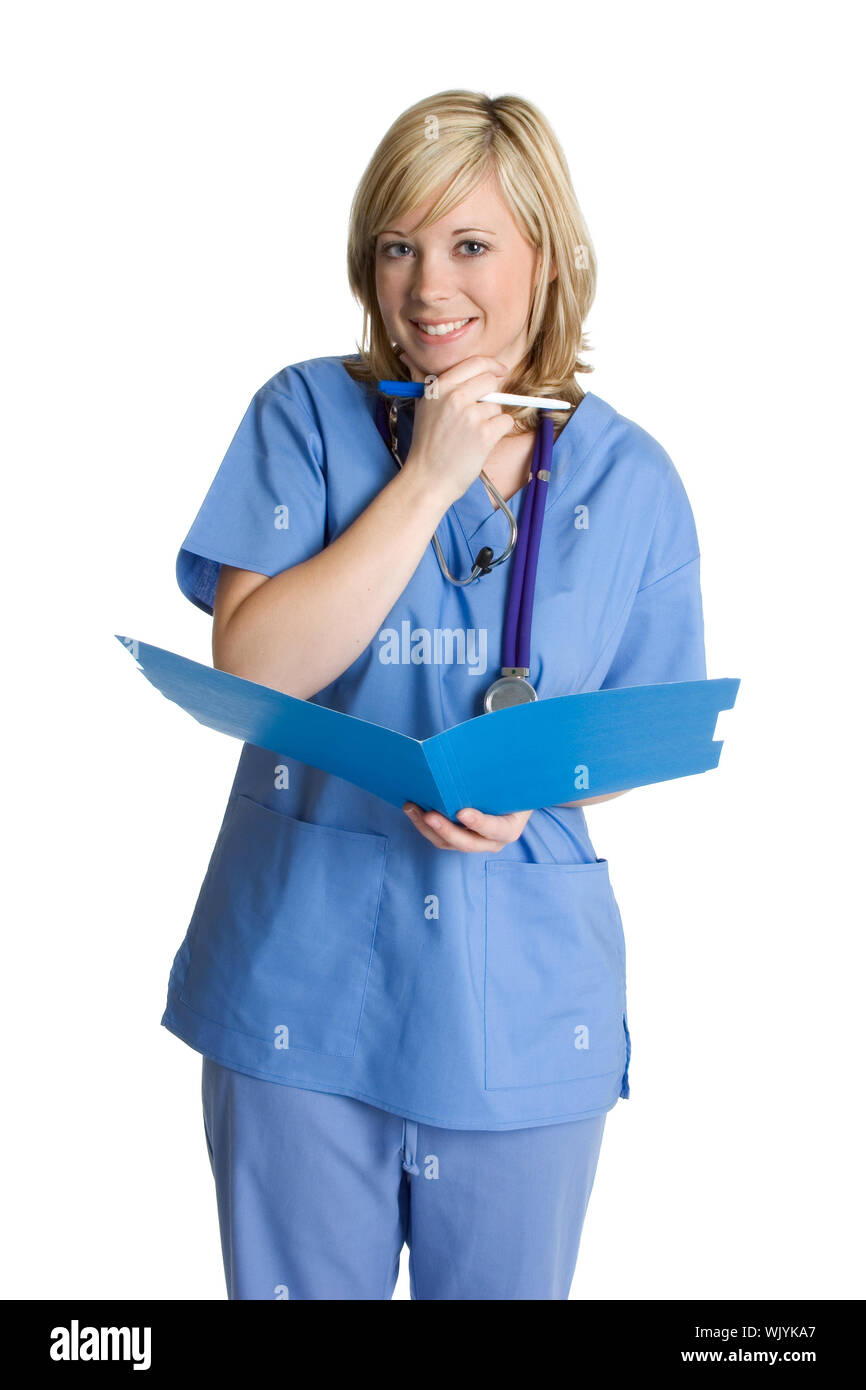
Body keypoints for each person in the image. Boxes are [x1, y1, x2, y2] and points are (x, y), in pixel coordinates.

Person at [164, 89, 706, 1300]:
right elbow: (252, 668)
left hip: (517, 1001)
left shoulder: (629, 476)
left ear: (548, 257)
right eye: (397, 246)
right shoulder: (302, 415)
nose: (425, 287)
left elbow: (641, 724)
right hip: (300, 981)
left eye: (468, 246)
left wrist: (534, 784)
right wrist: (426, 480)